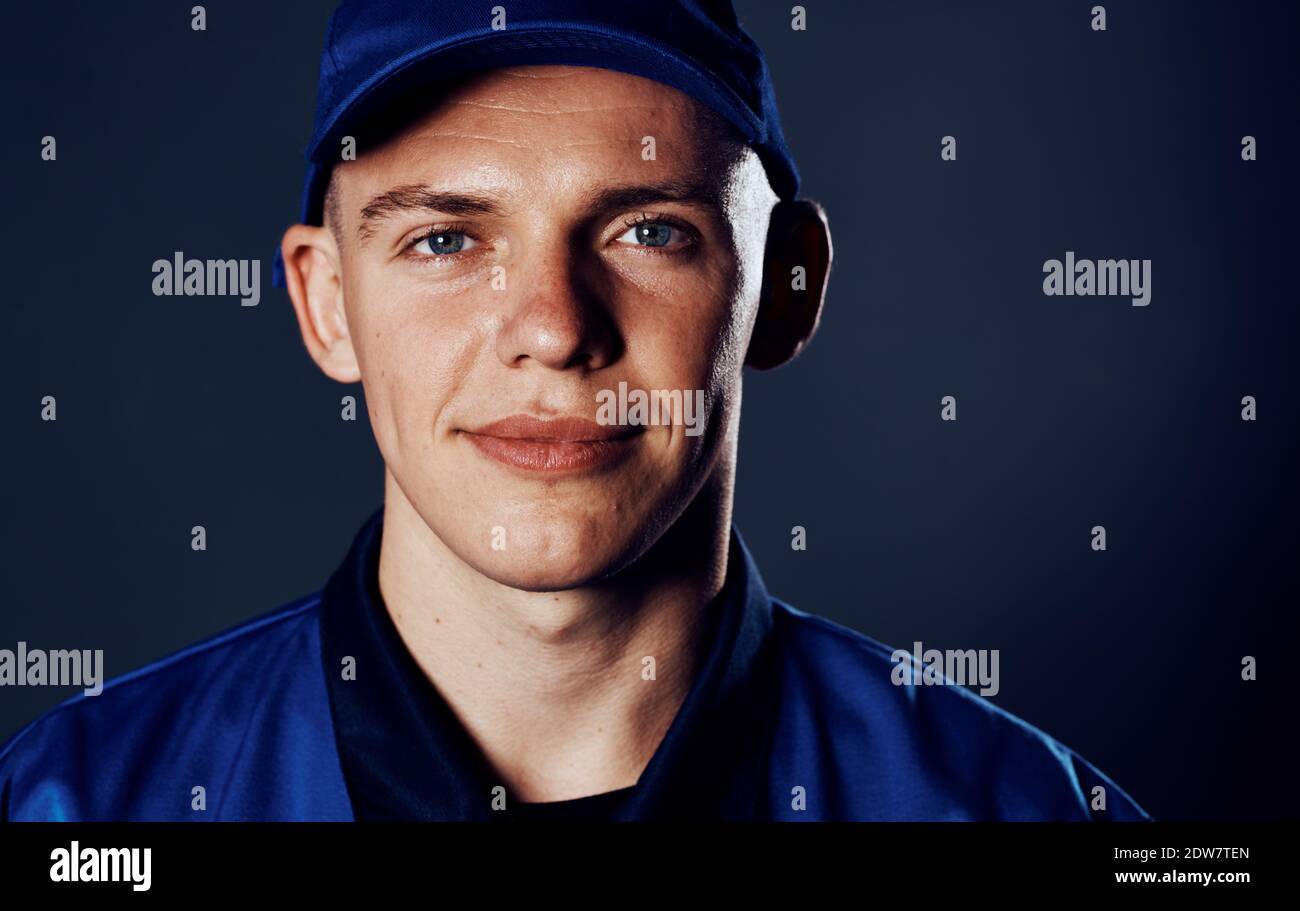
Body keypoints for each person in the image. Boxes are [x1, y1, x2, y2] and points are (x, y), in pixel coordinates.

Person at [0, 0, 1149, 821]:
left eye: (648, 231)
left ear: (784, 288)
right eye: (444, 239)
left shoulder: (1025, 809)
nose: (552, 326)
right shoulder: (76, 809)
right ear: (326, 303)